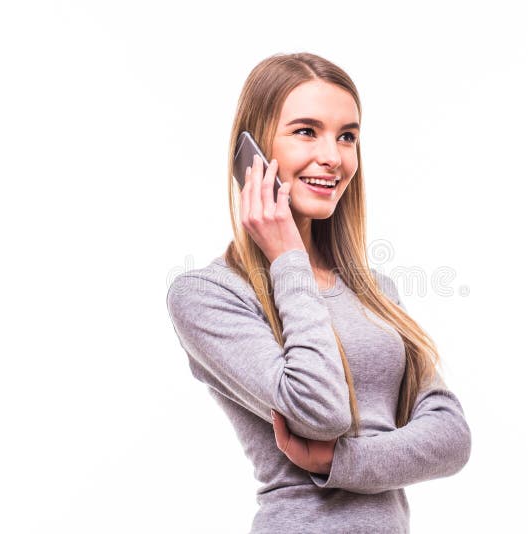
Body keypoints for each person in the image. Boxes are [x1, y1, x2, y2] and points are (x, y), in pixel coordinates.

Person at [166, 52, 471, 533]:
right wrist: (288, 255)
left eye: (347, 136)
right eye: (306, 131)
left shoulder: (376, 292)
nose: (333, 156)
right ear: (252, 152)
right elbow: (319, 410)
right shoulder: (209, 294)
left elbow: (451, 439)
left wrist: (338, 461)